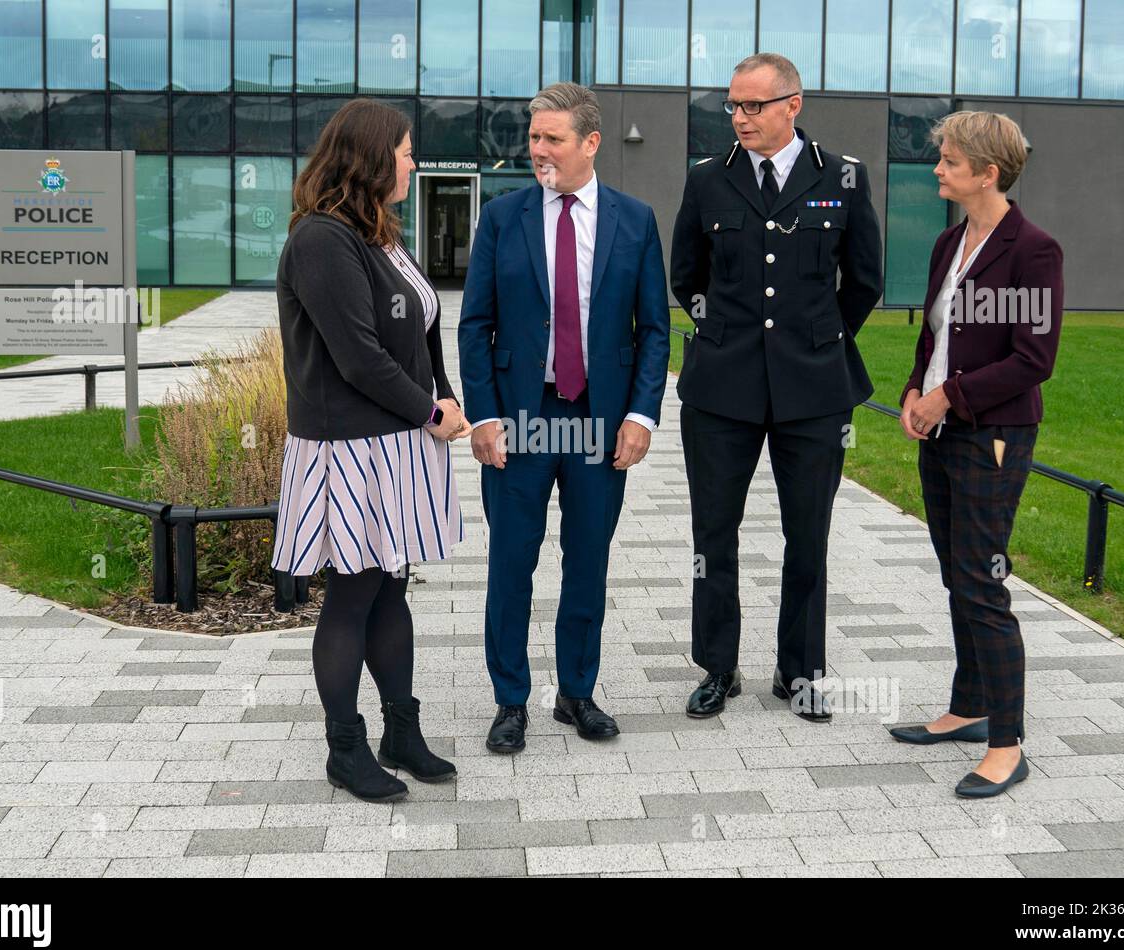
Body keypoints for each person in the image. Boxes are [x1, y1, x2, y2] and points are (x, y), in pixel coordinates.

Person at [458, 82, 670, 754]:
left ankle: (576, 692)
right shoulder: (502, 217)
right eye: (533, 138)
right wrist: (483, 416)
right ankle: (510, 699)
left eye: (552, 138)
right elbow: (475, 324)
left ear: (591, 142)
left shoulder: (635, 222)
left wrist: (641, 415)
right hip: (520, 421)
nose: (539, 150)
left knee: (588, 562)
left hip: (598, 423)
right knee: (511, 562)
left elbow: (655, 330)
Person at [670, 53, 883, 721]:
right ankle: (717, 667)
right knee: (714, 535)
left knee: (808, 536)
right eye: (732, 105)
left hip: (814, 390)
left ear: (793, 104)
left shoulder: (844, 178)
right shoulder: (708, 180)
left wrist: (818, 340)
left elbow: (866, 279)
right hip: (720, 391)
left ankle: (802, 672)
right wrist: (728, 336)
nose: (738, 118)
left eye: (753, 106)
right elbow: (687, 277)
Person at [271, 99, 471, 803]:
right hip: (349, 451)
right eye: (408, 150)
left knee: (391, 584)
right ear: (371, 156)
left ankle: (401, 732)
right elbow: (357, 357)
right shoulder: (322, 240)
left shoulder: (379, 232)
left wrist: (444, 397)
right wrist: (429, 410)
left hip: (397, 443)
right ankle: (344, 748)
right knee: (352, 593)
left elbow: (418, 334)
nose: (414, 162)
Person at [890, 111, 1063, 799]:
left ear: (988, 173)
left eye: (951, 162)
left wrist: (948, 398)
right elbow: (933, 336)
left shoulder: (1033, 249)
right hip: (940, 431)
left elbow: (1034, 358)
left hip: (992, 434)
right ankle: (969, 705)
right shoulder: (949, 242)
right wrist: (913, 390)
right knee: (957, 574)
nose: (938, 169)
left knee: (982, 582)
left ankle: (1006, 743)